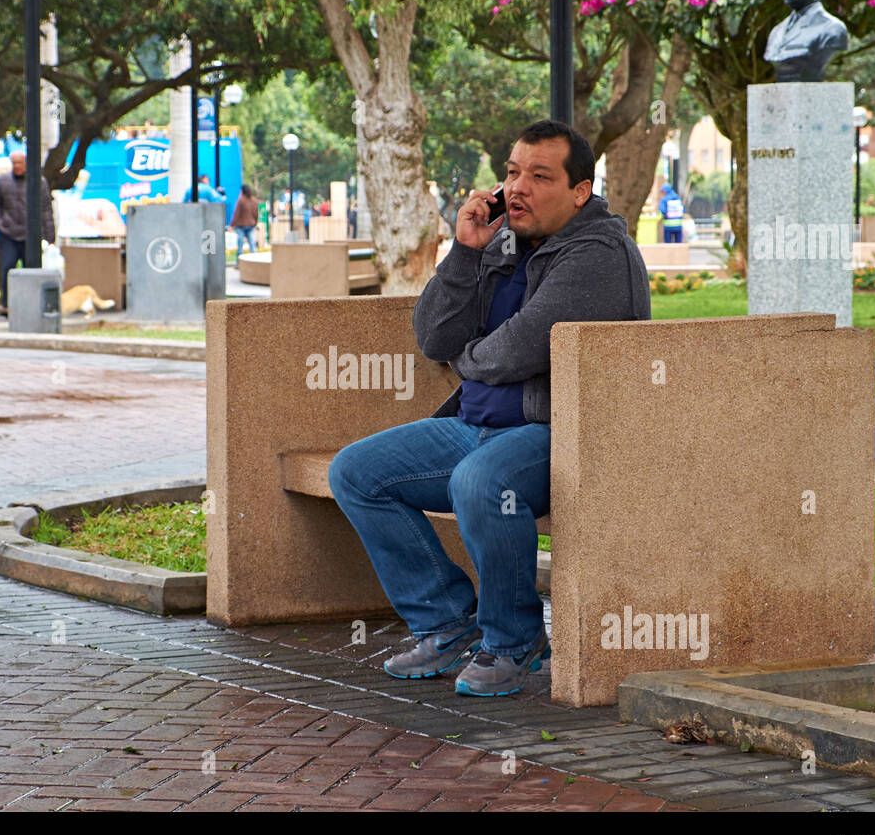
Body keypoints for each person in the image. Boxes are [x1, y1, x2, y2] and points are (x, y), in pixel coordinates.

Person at [327, 119, 650, 697]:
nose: (517, 187)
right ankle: (445, 621)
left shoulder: (599, 253)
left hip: (557, 430)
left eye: (539, 176)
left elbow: (521, 346)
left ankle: (512, 639)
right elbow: (432, 338)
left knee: (480, 483)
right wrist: (463, 253)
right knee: (356, 471)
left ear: (580, 192)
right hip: (472, 426)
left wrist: (467, 358)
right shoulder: (499, 244)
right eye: (511, 172)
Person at [0, 150, 54, 313]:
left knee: (32, 269)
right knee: (8, 267)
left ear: (26, 163)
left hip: (30, 235)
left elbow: (46, 209)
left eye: (20, 162)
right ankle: (6, 304)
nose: (17, 166)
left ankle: (32, 304)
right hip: (8, 233)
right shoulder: (3, 181)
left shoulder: (39, 182)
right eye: (14, 163)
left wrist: (50, 235)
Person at [229, 184, 259, 257]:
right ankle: (255, 262)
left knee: (240, 245)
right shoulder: (254, 201)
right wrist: (255, 222)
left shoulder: (240, 200)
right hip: (251, 225)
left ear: (242, 191)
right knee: (252, 245)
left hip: (240, 226)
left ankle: (239, 263)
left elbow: (236, 214)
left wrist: (232, 225)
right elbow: (256, 214)